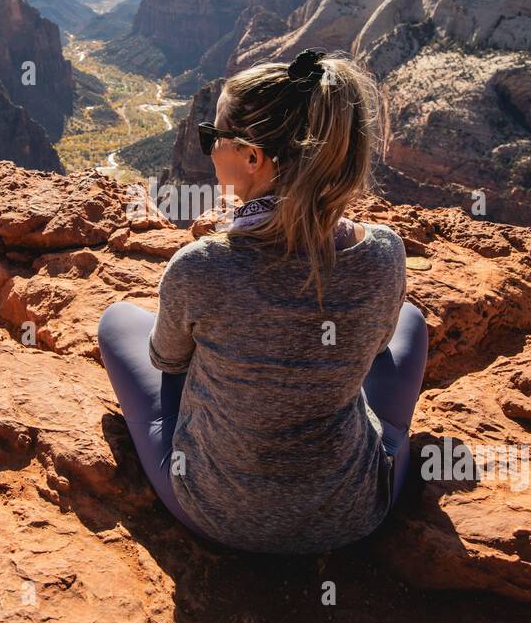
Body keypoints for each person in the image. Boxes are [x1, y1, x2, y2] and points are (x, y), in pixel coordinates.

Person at [96, 48, 428, 554]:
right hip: (354, 512)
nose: (204, 145)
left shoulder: (201, 266)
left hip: (215, 513)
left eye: (213, 137)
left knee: (118, 320)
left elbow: (166, 360)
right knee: (410, 322)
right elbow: (380, 344)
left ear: (252, 158)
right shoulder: (383, 254)